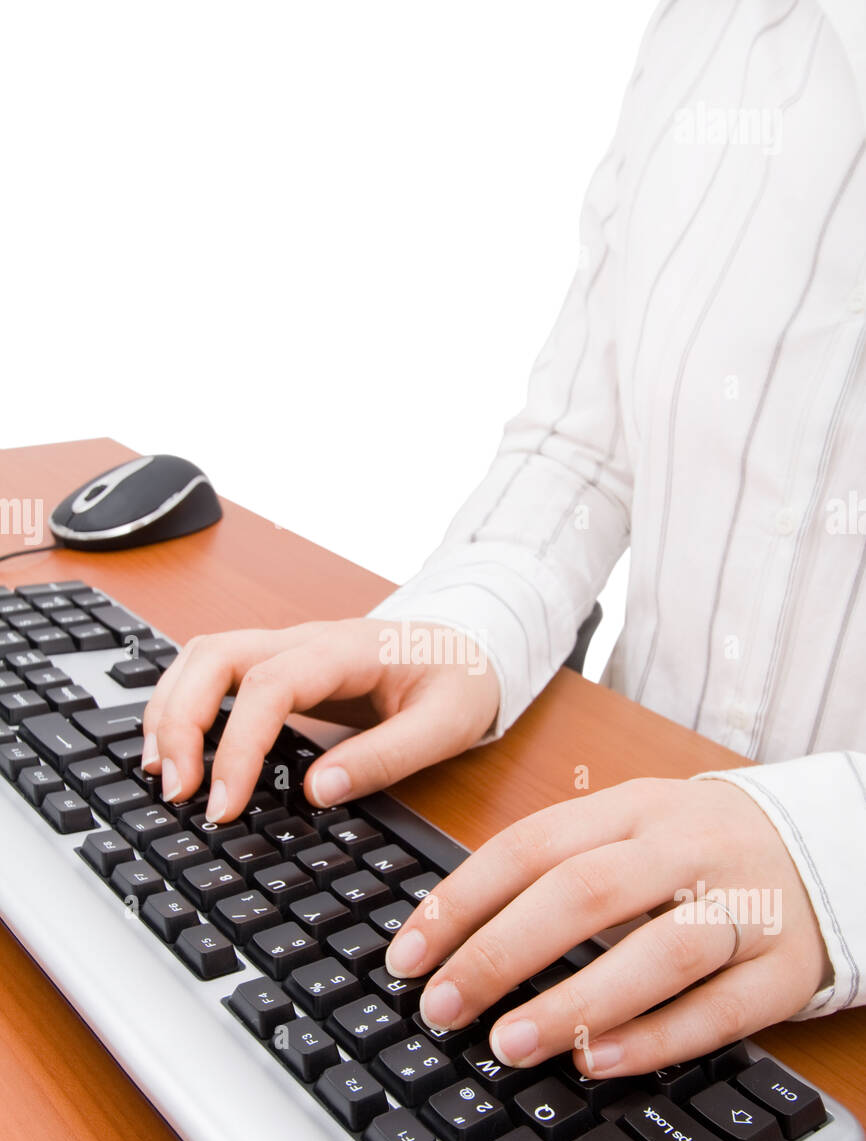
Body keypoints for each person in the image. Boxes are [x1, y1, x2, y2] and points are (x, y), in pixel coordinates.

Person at [142, 0, 866, 1079]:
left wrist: (828, 856)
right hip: (600, 863)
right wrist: (449, 632)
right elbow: (585, 444)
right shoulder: (700, 30)